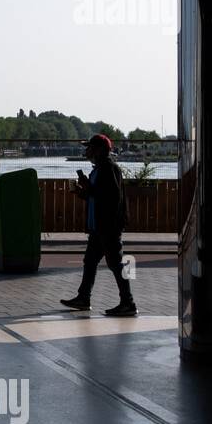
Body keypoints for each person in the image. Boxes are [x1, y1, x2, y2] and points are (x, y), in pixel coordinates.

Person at [60, 134, 137, 316]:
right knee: (91, 261)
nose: (86, 150)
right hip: (98, 227)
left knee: (116, 264)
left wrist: (89, 187)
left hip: (108, 227)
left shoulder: (109, 169)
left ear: (100, 150)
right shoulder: (99, 168)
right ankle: (83, 298)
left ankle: (128, 303)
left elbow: (111, 197)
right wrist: (82, 191)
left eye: (89, 147)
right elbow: (97, 196)